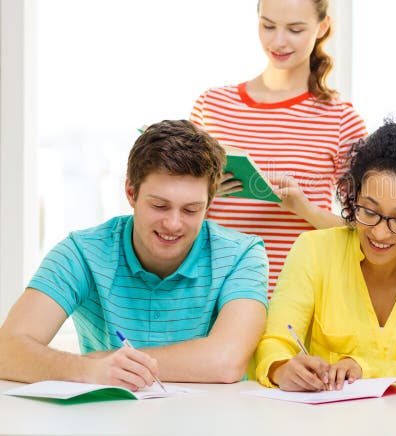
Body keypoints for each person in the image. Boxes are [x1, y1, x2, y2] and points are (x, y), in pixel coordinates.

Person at [0, 120, 268, 390]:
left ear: (208, 204)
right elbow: (7, 350)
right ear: (131, 192)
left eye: (190, 210)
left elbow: (226, 361)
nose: (173, 224)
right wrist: (87, 369)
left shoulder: (243, 254)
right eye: (160, 206)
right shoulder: (81, 252)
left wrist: (106, 360)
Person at [253, 120, 396, 391]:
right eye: (369, 211)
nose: (380, 234)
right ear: (354, 196)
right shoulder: (313, 249)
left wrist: (363, 369)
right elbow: (274, 342)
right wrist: (281, 368)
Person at [191, 0, 367, 296]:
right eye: (268, 25)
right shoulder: (212, 106)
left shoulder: (340, 118)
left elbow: (368, 227)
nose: (279, 41)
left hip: (295, 298)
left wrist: (305, 208)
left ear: (322, 26)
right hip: (212, 295)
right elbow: (182, 205)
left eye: (295, 29)